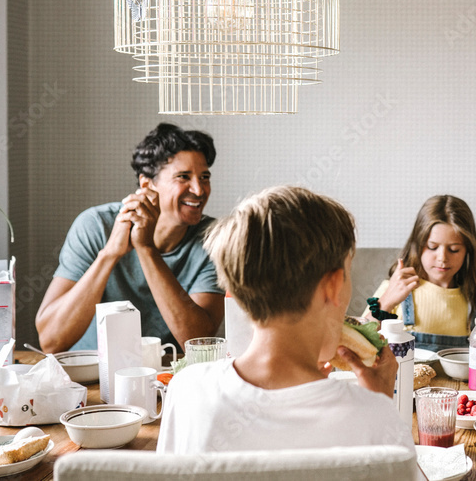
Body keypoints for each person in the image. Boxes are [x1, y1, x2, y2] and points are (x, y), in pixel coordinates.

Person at [157, 185, 414, 456]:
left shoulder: (187, 389)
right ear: (333, 285)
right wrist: (381, 404)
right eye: (348, 272)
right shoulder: (372, 416)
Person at [36, 123, 224, 353]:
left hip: (165, 378)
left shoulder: (215, 239)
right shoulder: (95, 226)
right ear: (147, 184)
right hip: (91, 375)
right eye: (183, 177)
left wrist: (146, 249)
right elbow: (50, 341)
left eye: (204, 177)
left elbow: (199, 342)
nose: (199, 189)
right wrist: (109, 255)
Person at [364, 195, 476, 352]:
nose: (442, 258)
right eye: (432, 247)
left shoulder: (472, 302)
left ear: (468, 251)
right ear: (417, 245)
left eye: (454, 249)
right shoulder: (396, 289)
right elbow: (360, 343)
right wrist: (387, 301)